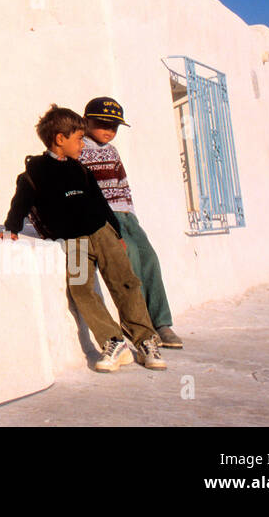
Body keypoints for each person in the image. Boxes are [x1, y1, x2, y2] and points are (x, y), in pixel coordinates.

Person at [0, 104, 166, 372]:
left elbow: (100, 203)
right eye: (78, 139)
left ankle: (145, 340)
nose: (83, 145)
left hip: (102, 233)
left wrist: (116, 233)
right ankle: (114, 342)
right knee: (81, 290)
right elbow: (19, 205)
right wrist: (10, 229)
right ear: (60, 139)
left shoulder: (80, 169)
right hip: (73, 244)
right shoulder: (32, 174)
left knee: (126, 283)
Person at [78, 96, 183, 349]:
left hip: (126, 215)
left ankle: (162, 322)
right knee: (131, 259)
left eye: (114, 127)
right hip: (104, 218)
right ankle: (141, 324)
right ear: (86, 121)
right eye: (103, 124)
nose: (109, 131)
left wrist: (131, 213)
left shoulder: (112, 151)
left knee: (149, 258)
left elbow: (123, 184)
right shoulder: (79, 148)